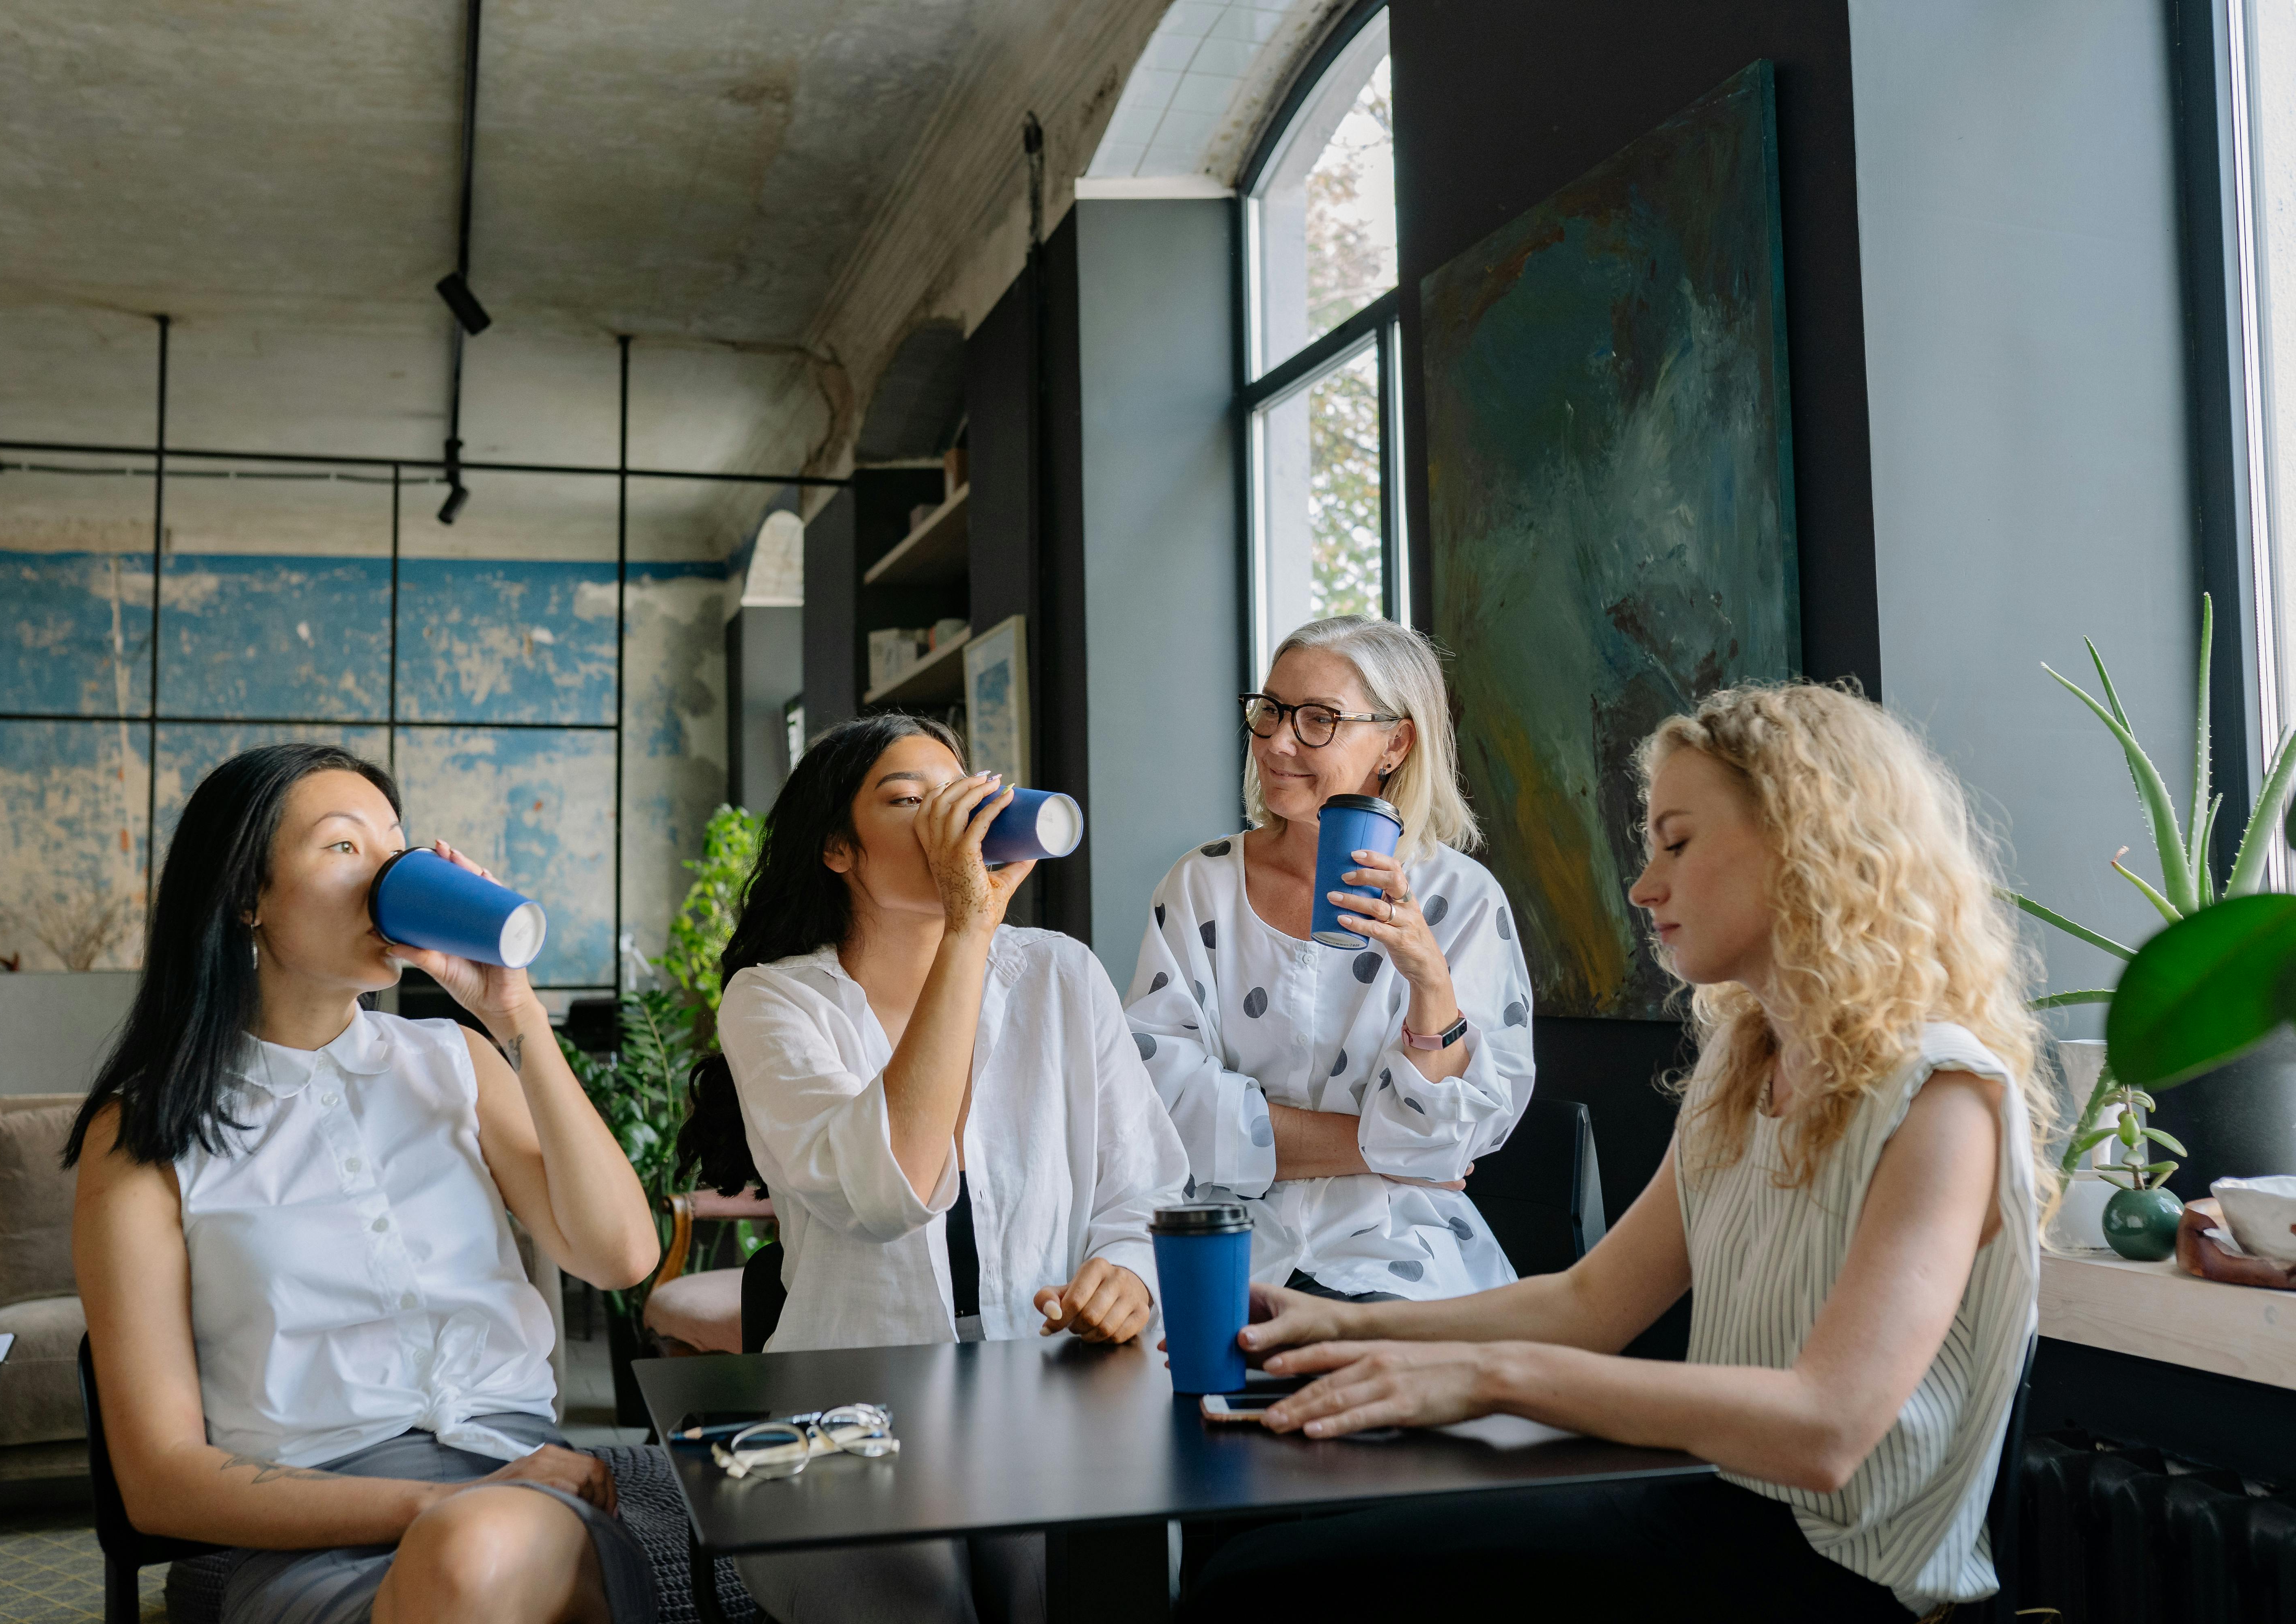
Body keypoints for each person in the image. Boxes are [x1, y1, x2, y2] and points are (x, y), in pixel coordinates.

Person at [1183, 682, 2054, 1623]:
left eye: (1677, 841)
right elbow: (1589, 1302)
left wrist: (1485, 1377)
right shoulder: (1744, 1063)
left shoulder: (1943, 1097)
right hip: (1717, 1513)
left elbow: (1826, 1427)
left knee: (1262, 1591)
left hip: (1842, 1588)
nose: (1645, 885)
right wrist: (1343, 1325)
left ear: (1809, 842)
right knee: (1254, 1557)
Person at [67, 743, 663, 1624]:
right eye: (345, 846)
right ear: (248, 897)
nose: (388, 870)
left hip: (535, 1501)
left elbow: (622, 1254)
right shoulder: (145, 1135)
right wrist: (427, 1508)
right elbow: (160, 1480)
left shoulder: (455, 1061)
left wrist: (514, 1015)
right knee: (466, 1550)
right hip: (314, 1533)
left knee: (479, 1549)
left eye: (396, 843)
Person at [674, 713, 1190, 1624]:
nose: (947, 821)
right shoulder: (775, 1000)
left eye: (959, 795)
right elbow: (890, 1189)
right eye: (908, 801)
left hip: (1043, 1385)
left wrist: (1128, 1273)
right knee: (914, 1594)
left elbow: (1145, 1184)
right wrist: (968, 931)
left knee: (1092, 1578)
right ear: (839, 847)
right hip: (844, 1409)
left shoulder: (1060, 977)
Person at [1125, 615, 1536, 1302]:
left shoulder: (1460, 900)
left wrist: (1430, 981)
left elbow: (1461, 1131)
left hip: (1398, 1243)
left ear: (1396, 743)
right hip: (1224, 1239)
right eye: (1271, 712)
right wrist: (1390, 1151)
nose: (1279, 741)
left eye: (1320, 719)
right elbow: (1163, 1106)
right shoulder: (1202, 885)